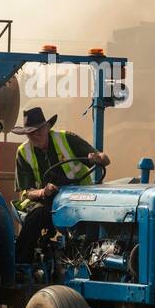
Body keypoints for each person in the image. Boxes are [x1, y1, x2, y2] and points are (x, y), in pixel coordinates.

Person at [12, 107, 111, 261]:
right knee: (36, 215)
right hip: (46, 201)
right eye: (31, 132)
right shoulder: (23, 152)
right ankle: (21, 263)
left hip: (80, 197)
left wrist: (99, 158)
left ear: (47, 127)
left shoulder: (66, 139)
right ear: (26, 134)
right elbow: (28, 191)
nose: (36, 135)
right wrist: (43, 192)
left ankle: (99, 257)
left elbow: (103, 158)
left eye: (39, 130)